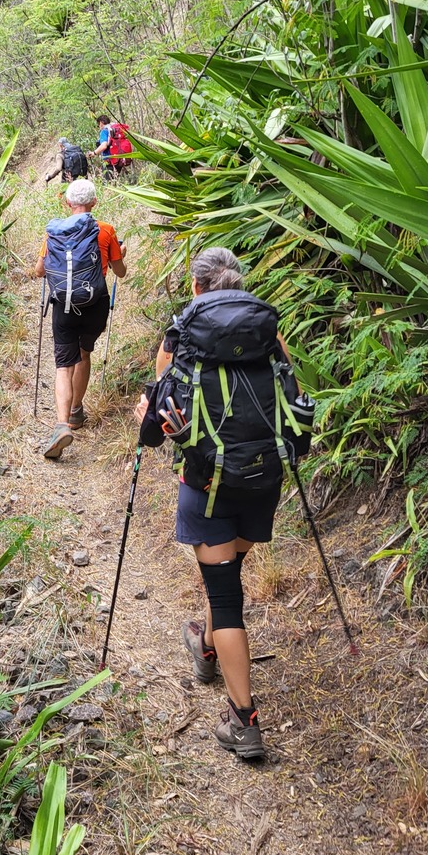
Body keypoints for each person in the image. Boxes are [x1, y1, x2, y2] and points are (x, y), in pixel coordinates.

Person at [135, 247, 295, 761]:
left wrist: (146, 412)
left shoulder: (181, 334)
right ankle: (205, 645)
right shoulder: (268, 331)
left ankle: (244, 722)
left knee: (226, 596)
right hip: (263, 480)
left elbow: (162, 411)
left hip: (208, 482)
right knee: (227, 570)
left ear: (198, 286)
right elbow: (291, 397)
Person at [34, 178, 126, 459]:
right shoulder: (106, 230)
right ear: (94, 203)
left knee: (64, 365)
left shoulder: (54, 233)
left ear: (67, 203)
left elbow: (40, 271)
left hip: (63, 306)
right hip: (95, 305)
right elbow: (120, 272)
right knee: (84, 355)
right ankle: (76, 411)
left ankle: (62, 425)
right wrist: (121, 254)